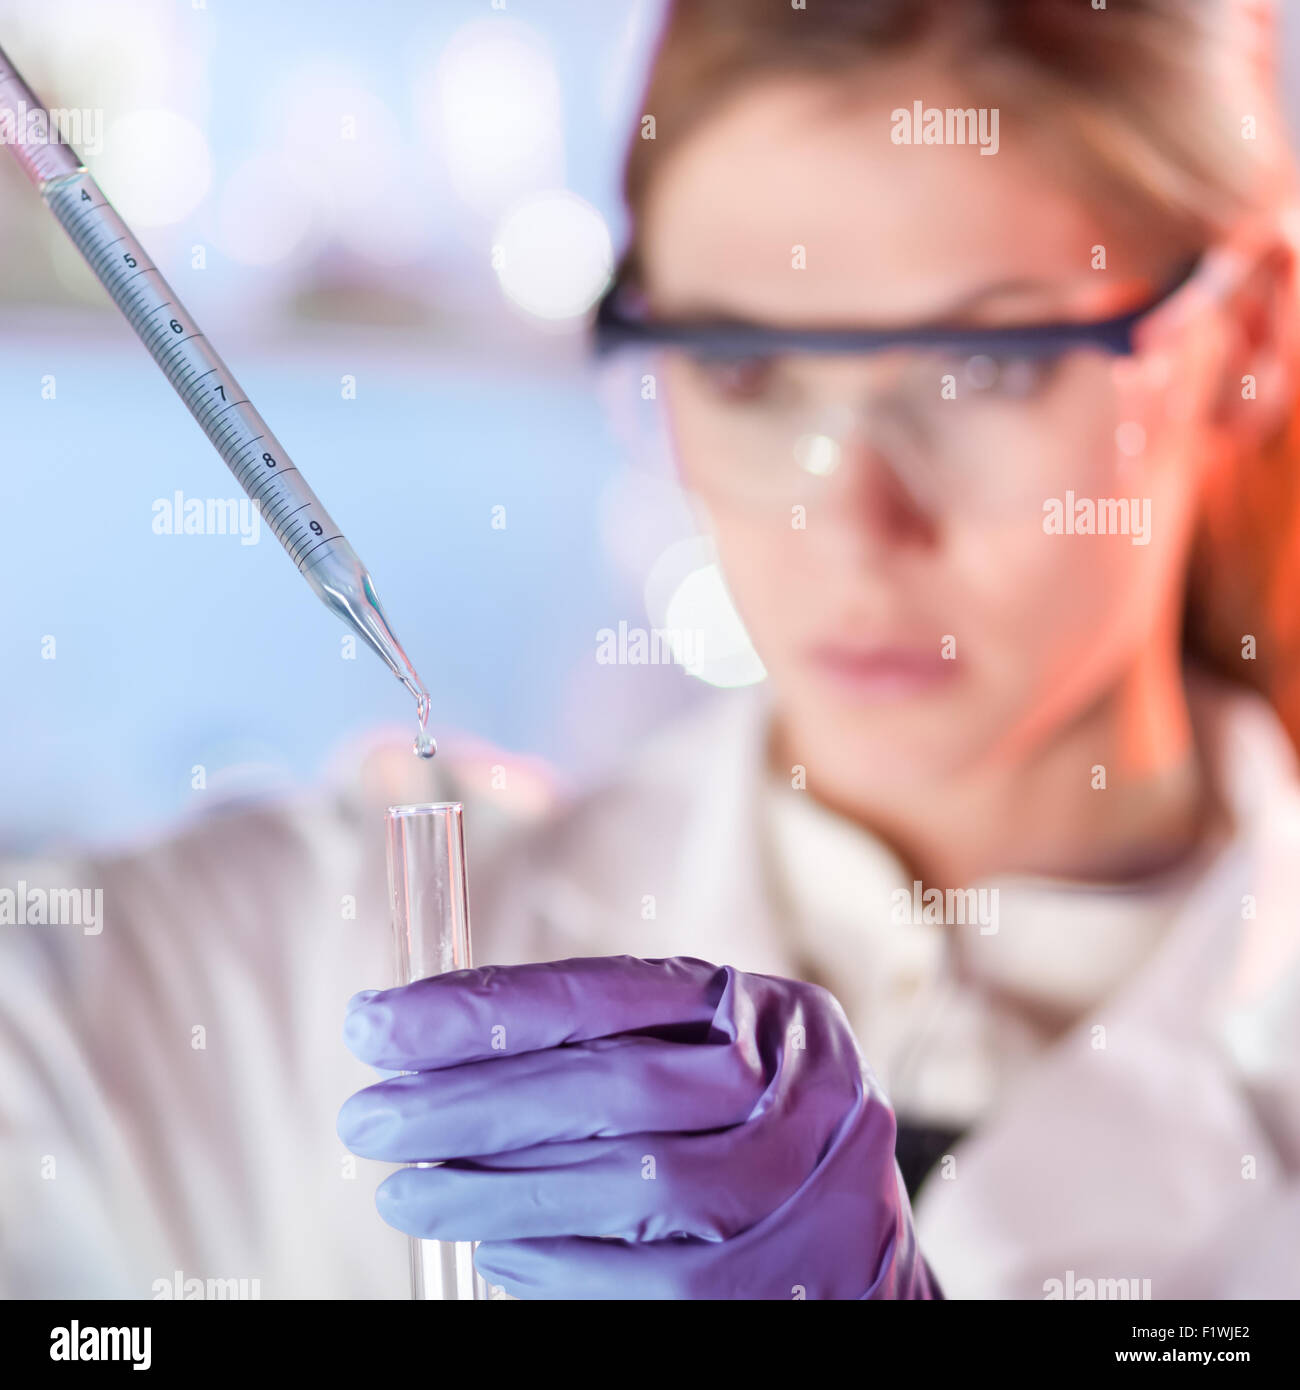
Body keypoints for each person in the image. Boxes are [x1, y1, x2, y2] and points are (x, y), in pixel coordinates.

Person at [4, 0, 1300, 1299]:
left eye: (986, 363)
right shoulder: (312, 961)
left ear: (1248, 338)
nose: (848, 519)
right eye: (740, 365)